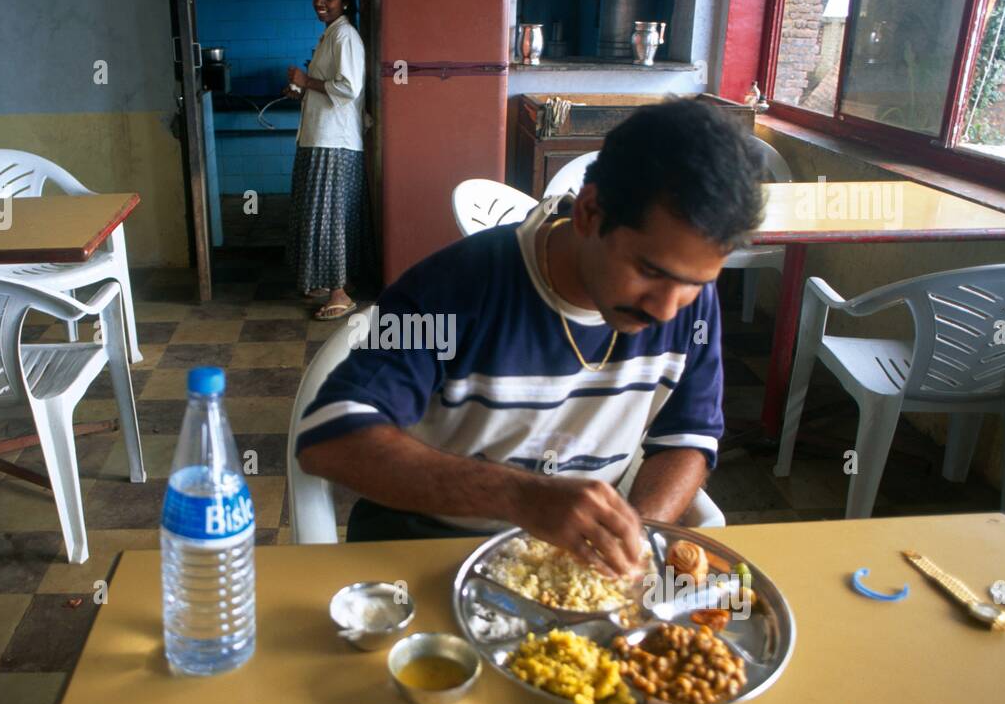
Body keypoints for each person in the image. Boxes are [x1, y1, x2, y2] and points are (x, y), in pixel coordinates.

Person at [295, 99, 764, 577]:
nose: (666, 309)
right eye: (647, 270)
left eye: (695, 282)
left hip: (571, 567)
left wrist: (633, 540)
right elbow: (331, 440)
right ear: (588, 213)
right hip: (421, 556)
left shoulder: (688, 302)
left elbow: (689, 436)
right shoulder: (450, 290)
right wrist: (520, 497)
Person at [285, 0, 373, 321]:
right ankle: (330, 281)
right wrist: (302, 88)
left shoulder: (344, 36)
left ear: (345, 1)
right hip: (322, 137)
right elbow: (329, 85)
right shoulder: (331, 35)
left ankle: (340, 293)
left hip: (333, 142)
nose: (320, 3)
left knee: (330, 217)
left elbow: (348, 88)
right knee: (321, 214)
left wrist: (307, 81)